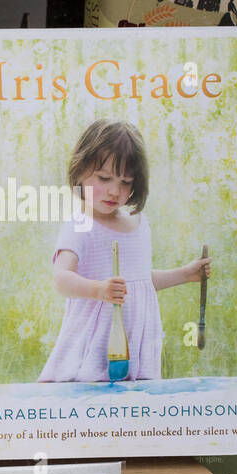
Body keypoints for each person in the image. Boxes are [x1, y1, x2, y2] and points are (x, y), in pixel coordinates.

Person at [38, 119, 209, 382]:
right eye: (104, 178)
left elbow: (139, 282)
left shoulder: (139, 224)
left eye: (126, 182)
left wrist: (185, 274)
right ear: (80, 170)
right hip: (92, 354)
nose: (115, 191)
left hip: (135, 351)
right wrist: (99, 290)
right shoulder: (81, 224)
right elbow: (62, 280)